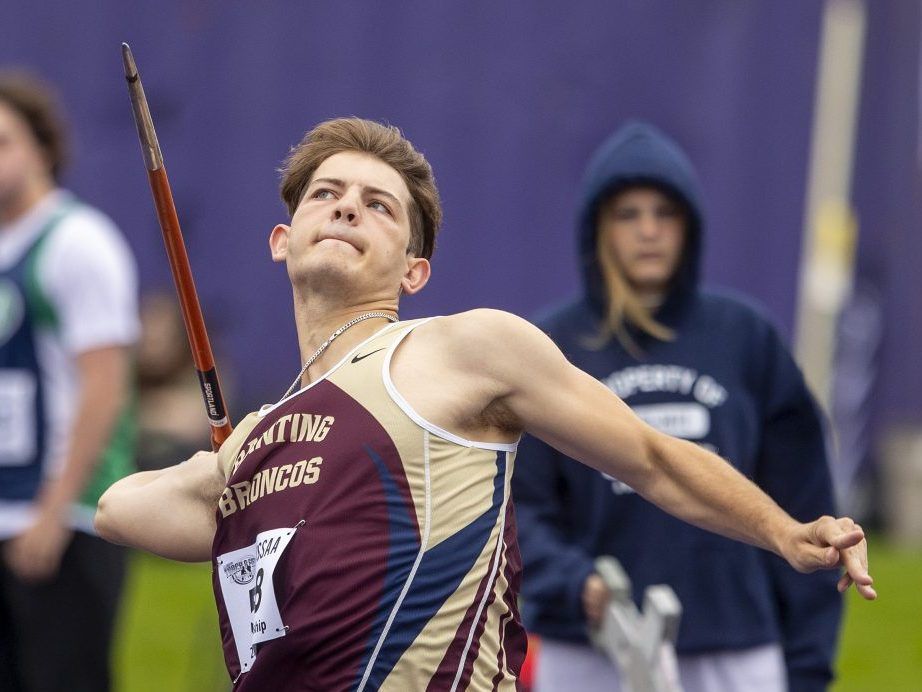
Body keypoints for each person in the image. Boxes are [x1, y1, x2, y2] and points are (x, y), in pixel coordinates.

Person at [94, 117, 874, 692]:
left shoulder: (461, 351)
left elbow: (652, 456)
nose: (345, 208)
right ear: (282, 239)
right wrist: (232, 462)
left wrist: (783, 530)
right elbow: (118, 510)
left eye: (379, 205)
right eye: (325, 194)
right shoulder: (257, 444)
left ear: (415, 271)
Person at [512, 121, 843, 692]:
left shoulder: (744, 336)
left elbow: (802, 498)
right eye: (627, 214)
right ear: (597, 227)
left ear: (689, 226)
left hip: (735, 647)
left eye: (665, 213)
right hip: (590, 648)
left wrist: (808, 663)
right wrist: (574, 584)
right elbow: (519, 504)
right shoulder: (551, 346)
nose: (648, 231)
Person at [0, 71, 139, 691]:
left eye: (3, 141)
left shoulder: (77, 242)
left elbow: (105, 386)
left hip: (67, 521)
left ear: (43, 149)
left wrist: (53, 514)